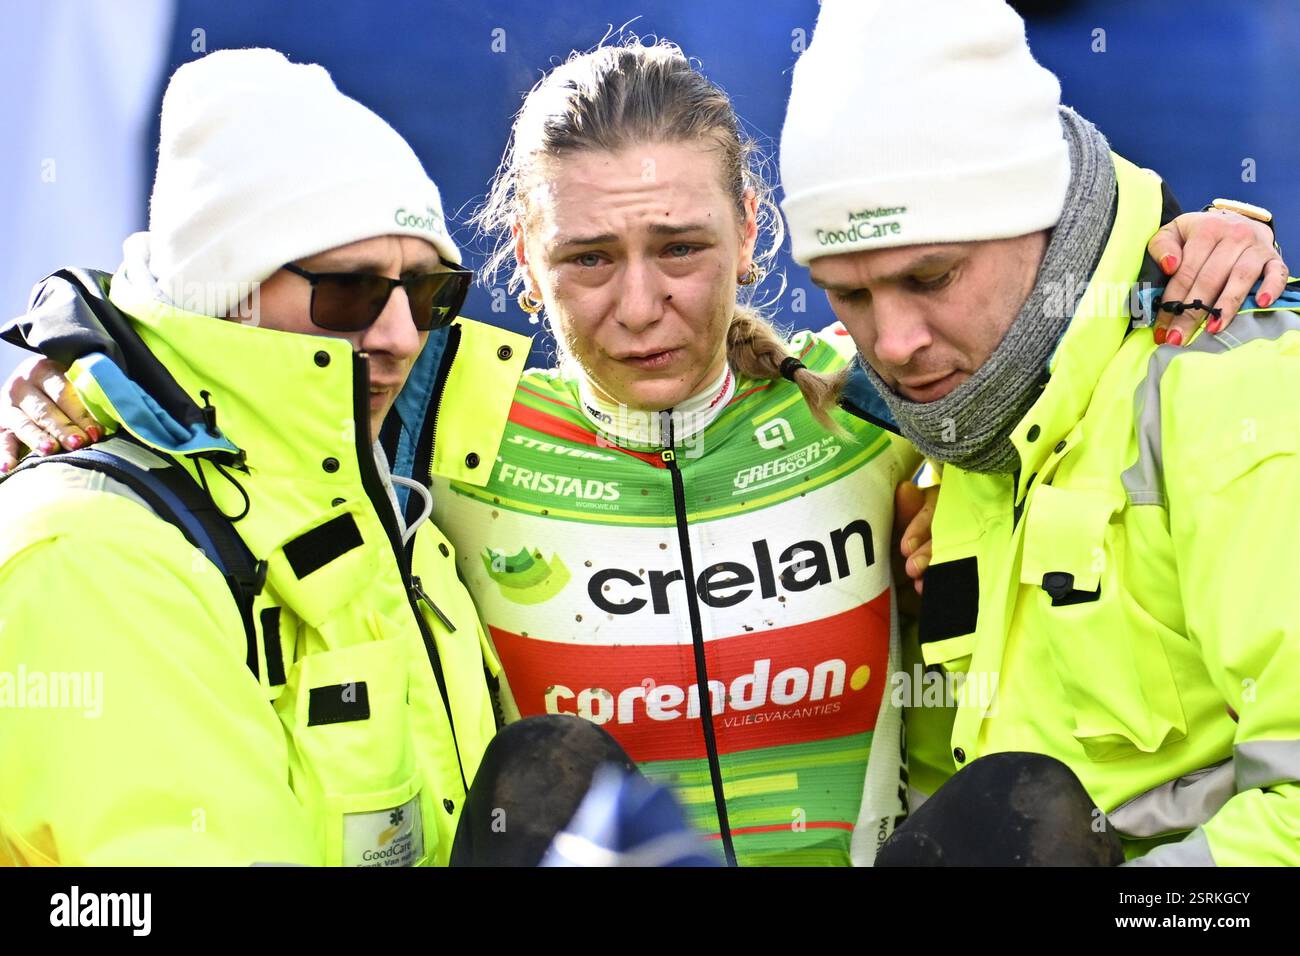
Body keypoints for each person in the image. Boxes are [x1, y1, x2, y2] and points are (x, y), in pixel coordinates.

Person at [1, 40, 1282, 867]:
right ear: (518, 263)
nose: (638, 304)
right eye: (586, 259)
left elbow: (1060, 344)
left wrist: (1198, 246)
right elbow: (243, 394)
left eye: (680, 249)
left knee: (1027, 806)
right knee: (543, 768)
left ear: (751, 232)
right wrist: (78, 385)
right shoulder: (431, 426)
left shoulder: (883, 413)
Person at [0, 48, 549, 866]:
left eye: (431, 292)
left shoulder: (399, 487)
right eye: (351, 292)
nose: (400, 336)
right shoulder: (92, 552)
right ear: (229, 295)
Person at [780, 0, 1299, 864]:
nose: (896, 341)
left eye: (932, 274)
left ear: (1048, 219)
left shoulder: (1236, 388)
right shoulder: (959, 422)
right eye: (851, 293)